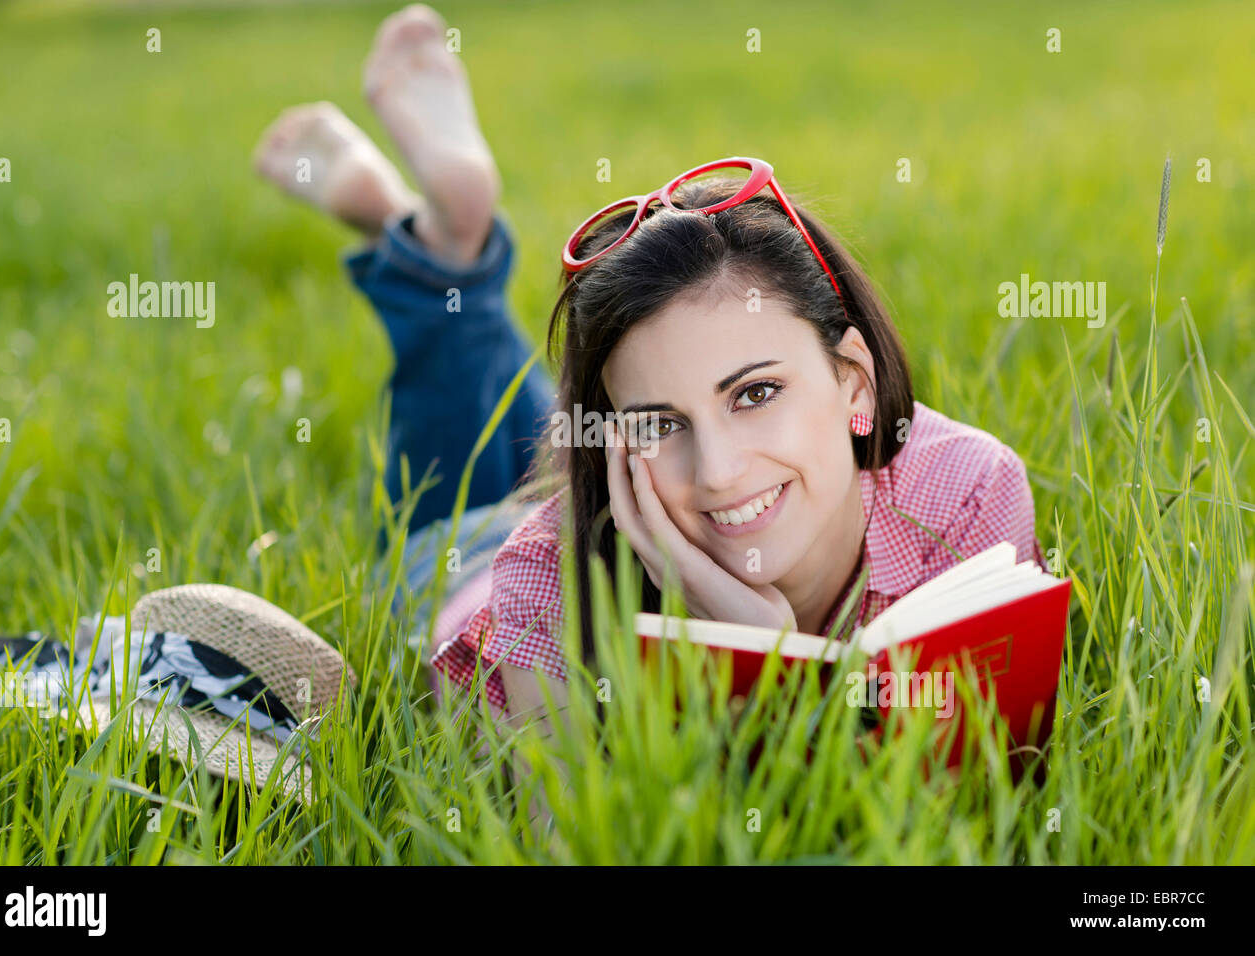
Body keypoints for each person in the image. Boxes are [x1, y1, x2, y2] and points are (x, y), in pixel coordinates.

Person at [253, 5, 1048, 748]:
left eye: (756, 393)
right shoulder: (547, 580)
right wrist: (757, 664)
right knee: (464, 500)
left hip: (597, 503)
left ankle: (428, 237)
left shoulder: (967, 496)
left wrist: (764, 661)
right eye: (660, 423)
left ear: (855, 385)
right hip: (467, 561)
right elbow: (572, 842)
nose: (721, 468)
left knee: (543, 414)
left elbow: (989, 780)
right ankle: (438, 243)